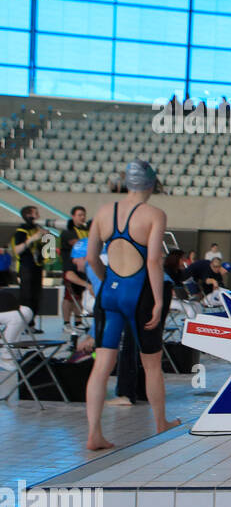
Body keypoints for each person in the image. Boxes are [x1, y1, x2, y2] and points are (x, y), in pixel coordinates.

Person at [84, 161, 181, 450]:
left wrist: (105, 284)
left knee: (101, 365)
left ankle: (94, 434)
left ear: (126, 183)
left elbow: (91, 259)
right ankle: (161, 422)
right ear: (151, 185)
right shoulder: (154, 214)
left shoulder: (103, 212)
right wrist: (159, 300)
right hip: (140, 295)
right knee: (151, 365)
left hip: (109, 295)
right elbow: (153, 260)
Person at [10, 205, 48, 326]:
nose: (38, 216)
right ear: (28, 216)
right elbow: (17, 250)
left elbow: (48, 252)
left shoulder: (38, 229)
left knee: (37, 296)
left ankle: (31, 323)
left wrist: (47, 239)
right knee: (27, 296)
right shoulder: (22, 230)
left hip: (37, 267)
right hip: (26, 267)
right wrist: (32, 239)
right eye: (36, 214)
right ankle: (24, 323)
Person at [59, 205, 91, 330]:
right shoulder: (68, 232)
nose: (82, 217)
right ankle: (66, 323)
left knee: (80, 295)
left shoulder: (86, 230)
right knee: (69, 296)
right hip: (70, 268)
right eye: (79, 215)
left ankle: (78, 321)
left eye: (84, 215)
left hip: (82, 268)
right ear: (73, 217)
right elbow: (79, 244)